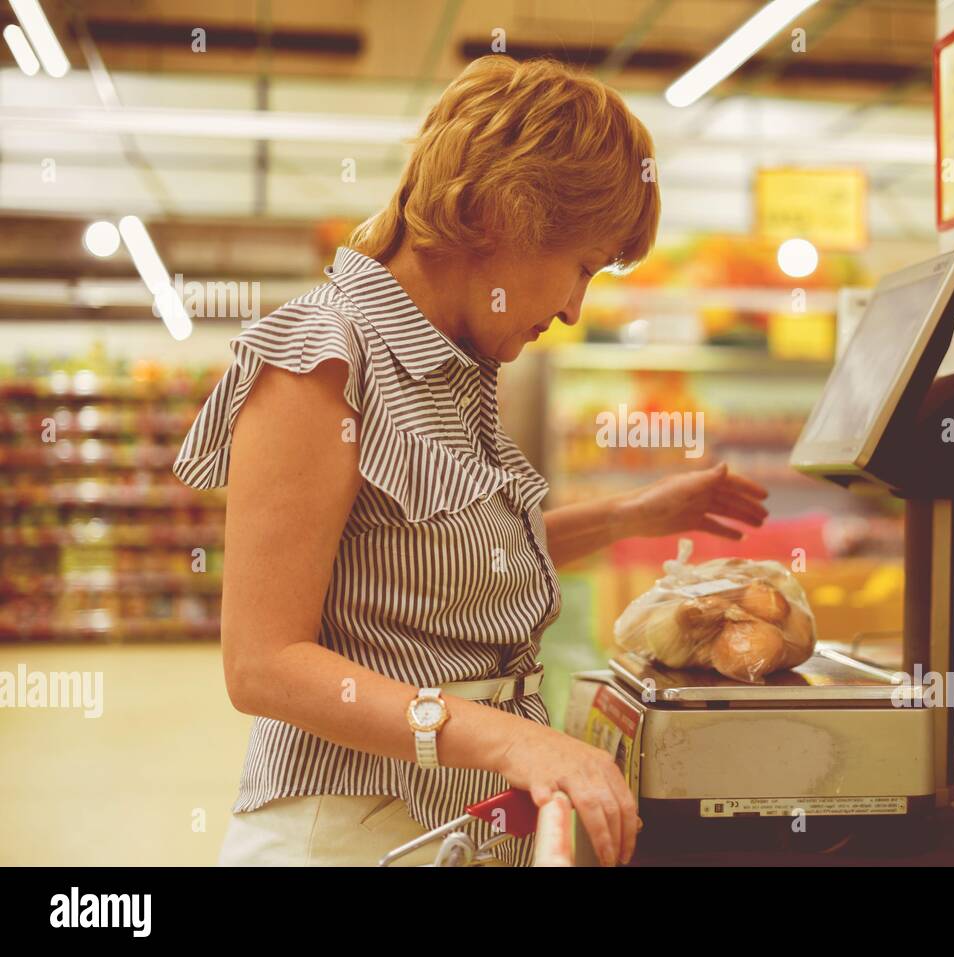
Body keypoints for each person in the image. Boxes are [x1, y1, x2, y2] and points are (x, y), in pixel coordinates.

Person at [174, 54, 770, 867]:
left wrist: (633, 516)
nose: (572, 308)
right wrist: (510, 742)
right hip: (348, 831)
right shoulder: (325, 353)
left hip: (451, 830)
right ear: (506, 214)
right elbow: (263, 664)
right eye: (582, 267)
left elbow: (433, 566)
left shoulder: (460, 370)